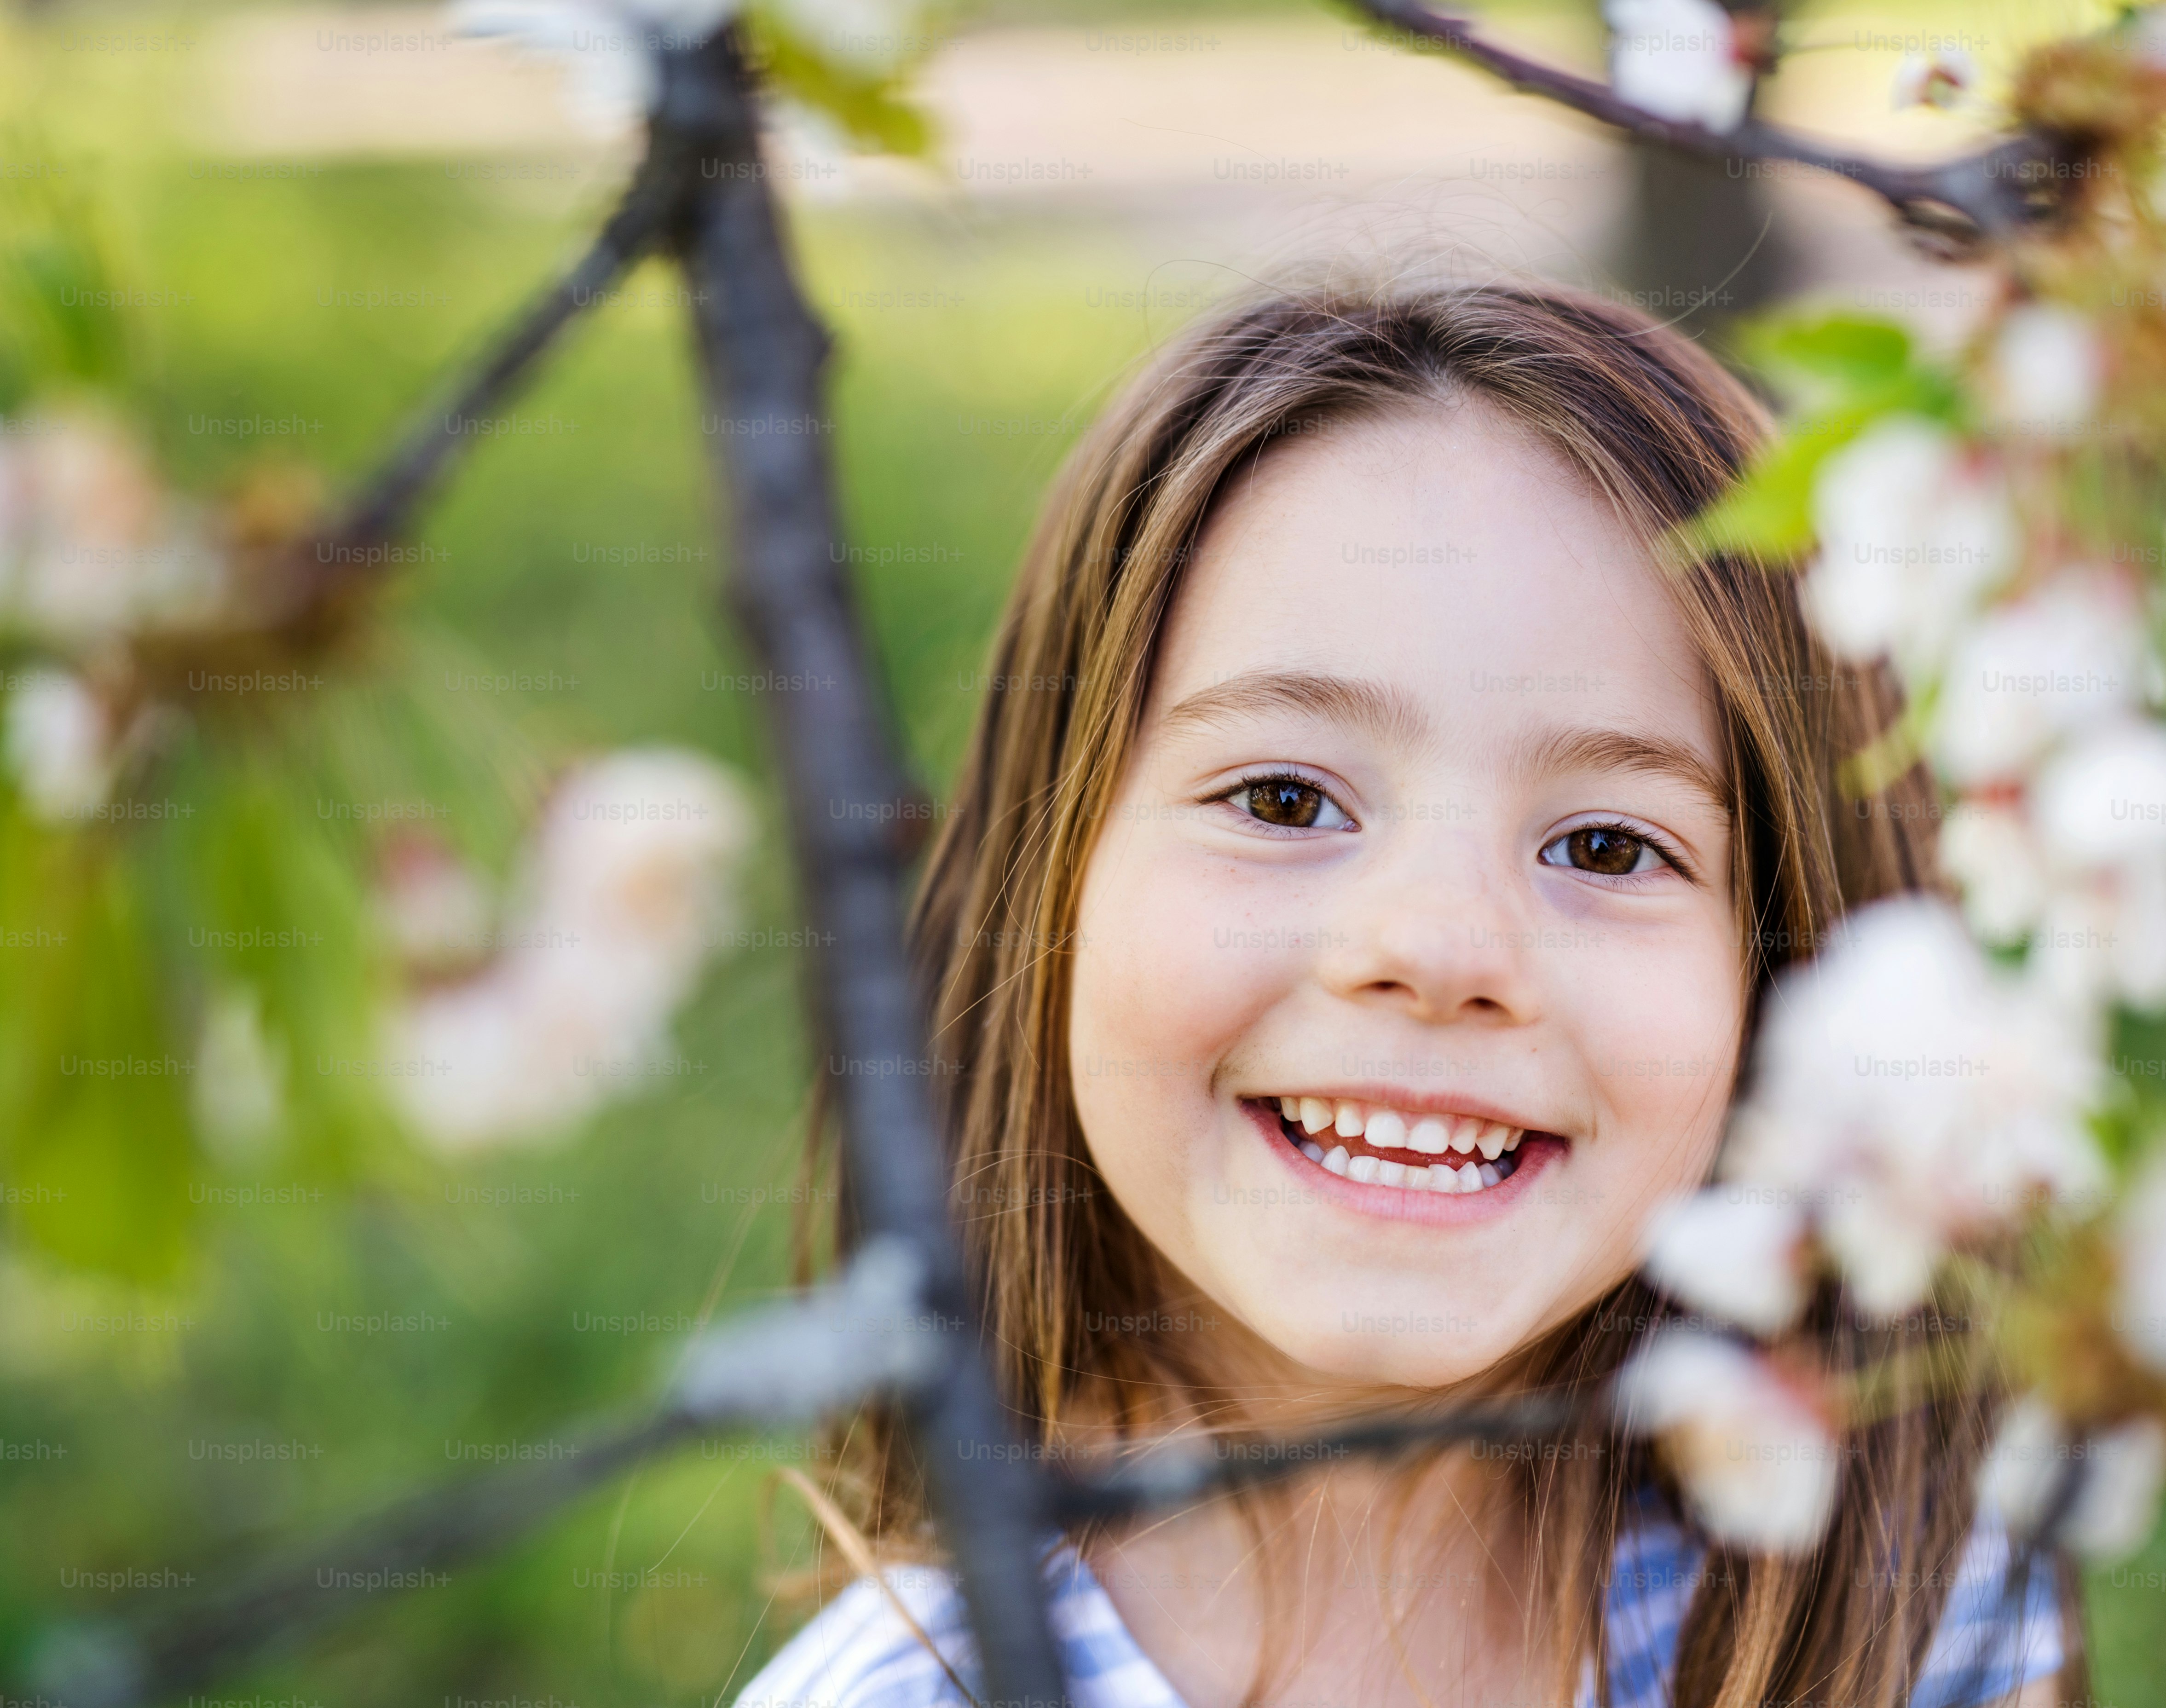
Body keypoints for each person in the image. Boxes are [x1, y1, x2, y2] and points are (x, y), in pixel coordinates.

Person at [738, 279, 2071, 1708]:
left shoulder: (1897, 1605)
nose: (1439, 949)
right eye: (1284, 797)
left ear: (1791, 974)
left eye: (1609, 846)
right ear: (1051, 884)